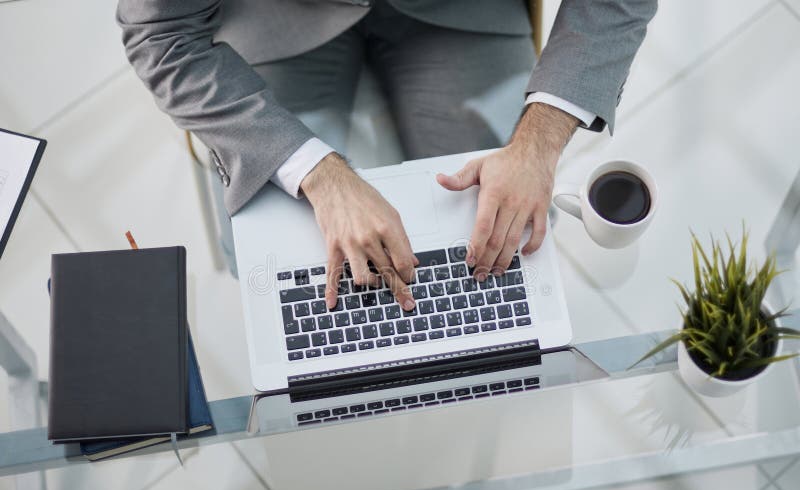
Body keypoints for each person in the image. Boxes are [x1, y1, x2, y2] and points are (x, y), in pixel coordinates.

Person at [117, 0, 657, 311]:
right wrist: (319, 175)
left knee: (505, 239)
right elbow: (160, 34)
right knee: (277, 264)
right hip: (272, 16)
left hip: (457, 10)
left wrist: (538, 143)